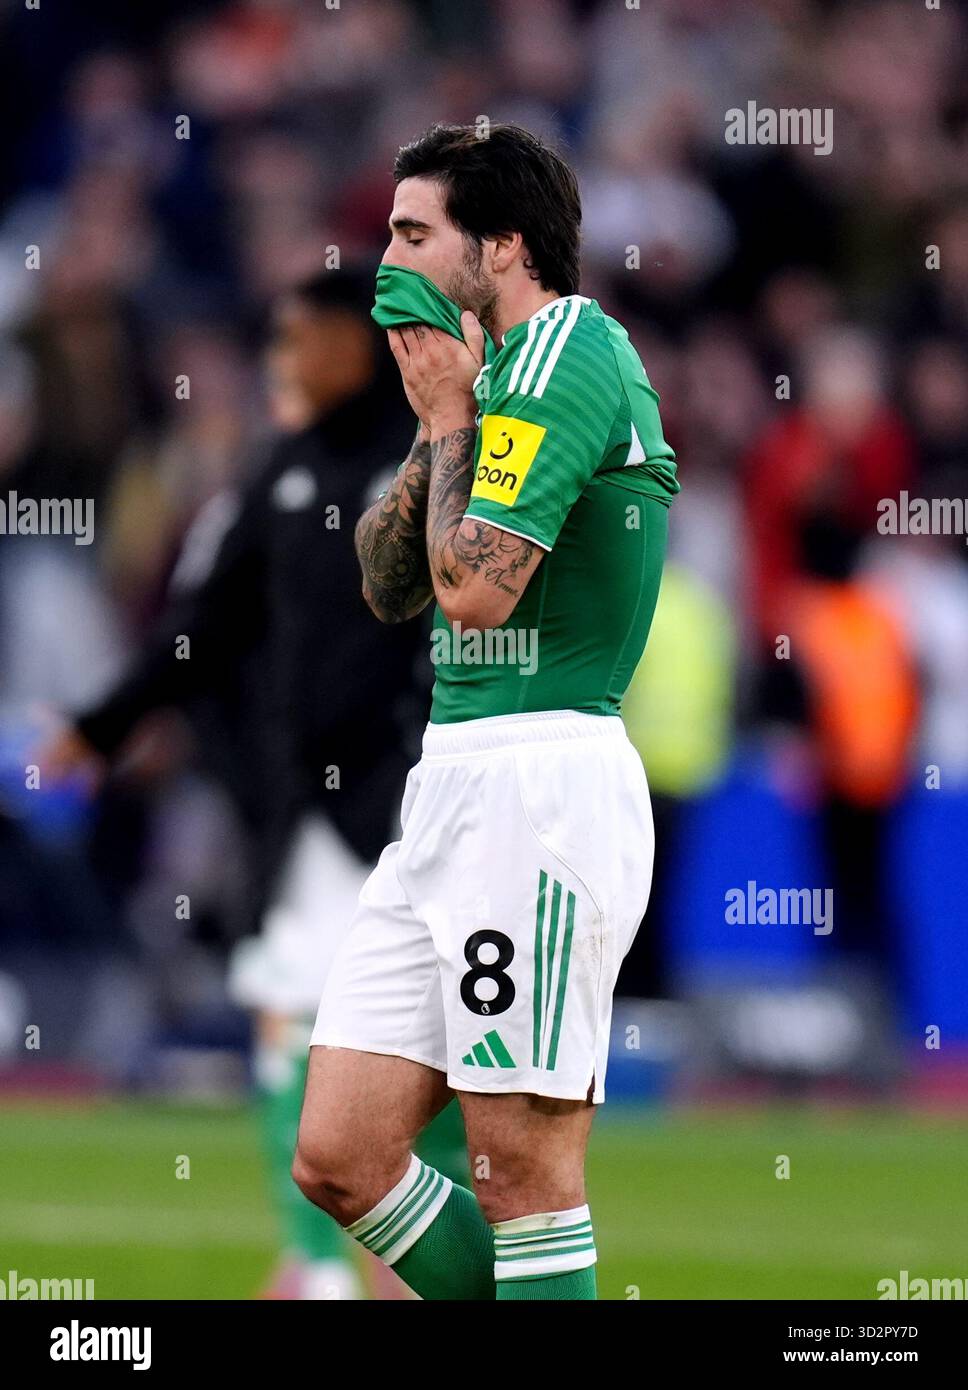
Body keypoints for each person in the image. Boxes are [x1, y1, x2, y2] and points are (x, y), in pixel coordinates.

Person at [293, 123, 679, 1300]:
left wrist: (454, 421)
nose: (391, 261)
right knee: (342, 1153)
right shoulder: (481, 373)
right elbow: (385, 577)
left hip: (542, 786)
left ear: (502, 245)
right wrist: (434, 417)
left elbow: (470, 594)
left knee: (518, 1168)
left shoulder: (568, 349)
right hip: (449, 786)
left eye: (416, 233)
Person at [40, 268, 468, 1300]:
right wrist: (102, 725)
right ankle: (320, 1260)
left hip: (418, 793)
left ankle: (398, 1260)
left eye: (303, 340)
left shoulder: (431, 462)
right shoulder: (274, 474)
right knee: (296, 1010)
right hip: (302, 807)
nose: (284, 361)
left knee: (428, 1035)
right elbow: (200, 630)